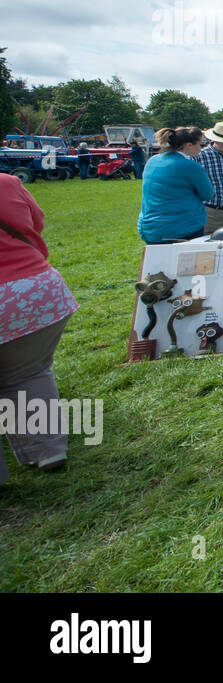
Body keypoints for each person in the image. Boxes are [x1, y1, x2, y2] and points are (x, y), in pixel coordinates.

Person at [1, 173, 79, 482]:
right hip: (35, 292)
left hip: (25, 291)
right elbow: (35, 222)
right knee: (28, 372)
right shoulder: (7, 182)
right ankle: (49, 450)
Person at [138, 127, 214, 244]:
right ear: (188, 145)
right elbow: (207, 194)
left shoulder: (153, 160)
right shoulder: (190, 166)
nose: (201, 148)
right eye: (200, 144)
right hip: (183, 227)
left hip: (150, 227)